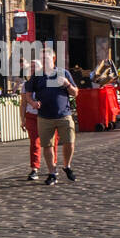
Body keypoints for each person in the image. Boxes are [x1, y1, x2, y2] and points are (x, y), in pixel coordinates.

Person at [22, 46, 79, 186]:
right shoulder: (36, 77)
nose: (43, 60)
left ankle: (67, 166)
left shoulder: (63, 73)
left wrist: (67, 85)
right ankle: (52, 172)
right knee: (47, 146)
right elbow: (27, 95)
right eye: (41, 58)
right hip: (44, 116)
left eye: (45, 58)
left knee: (69, 142)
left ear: (53, 59)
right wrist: (33, 103)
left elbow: (75, 93)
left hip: (64, 115)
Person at [19, 59, 42, 181]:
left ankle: (52, 167)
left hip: (46, 116)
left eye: (35, 68)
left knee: (51, 143)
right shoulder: (25, 85)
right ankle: (34, 168)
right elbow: (23, 103)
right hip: (31, 116)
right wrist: (22, 119)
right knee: (34, 142)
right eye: (31, 68)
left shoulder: (46, 82)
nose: (32, 70)